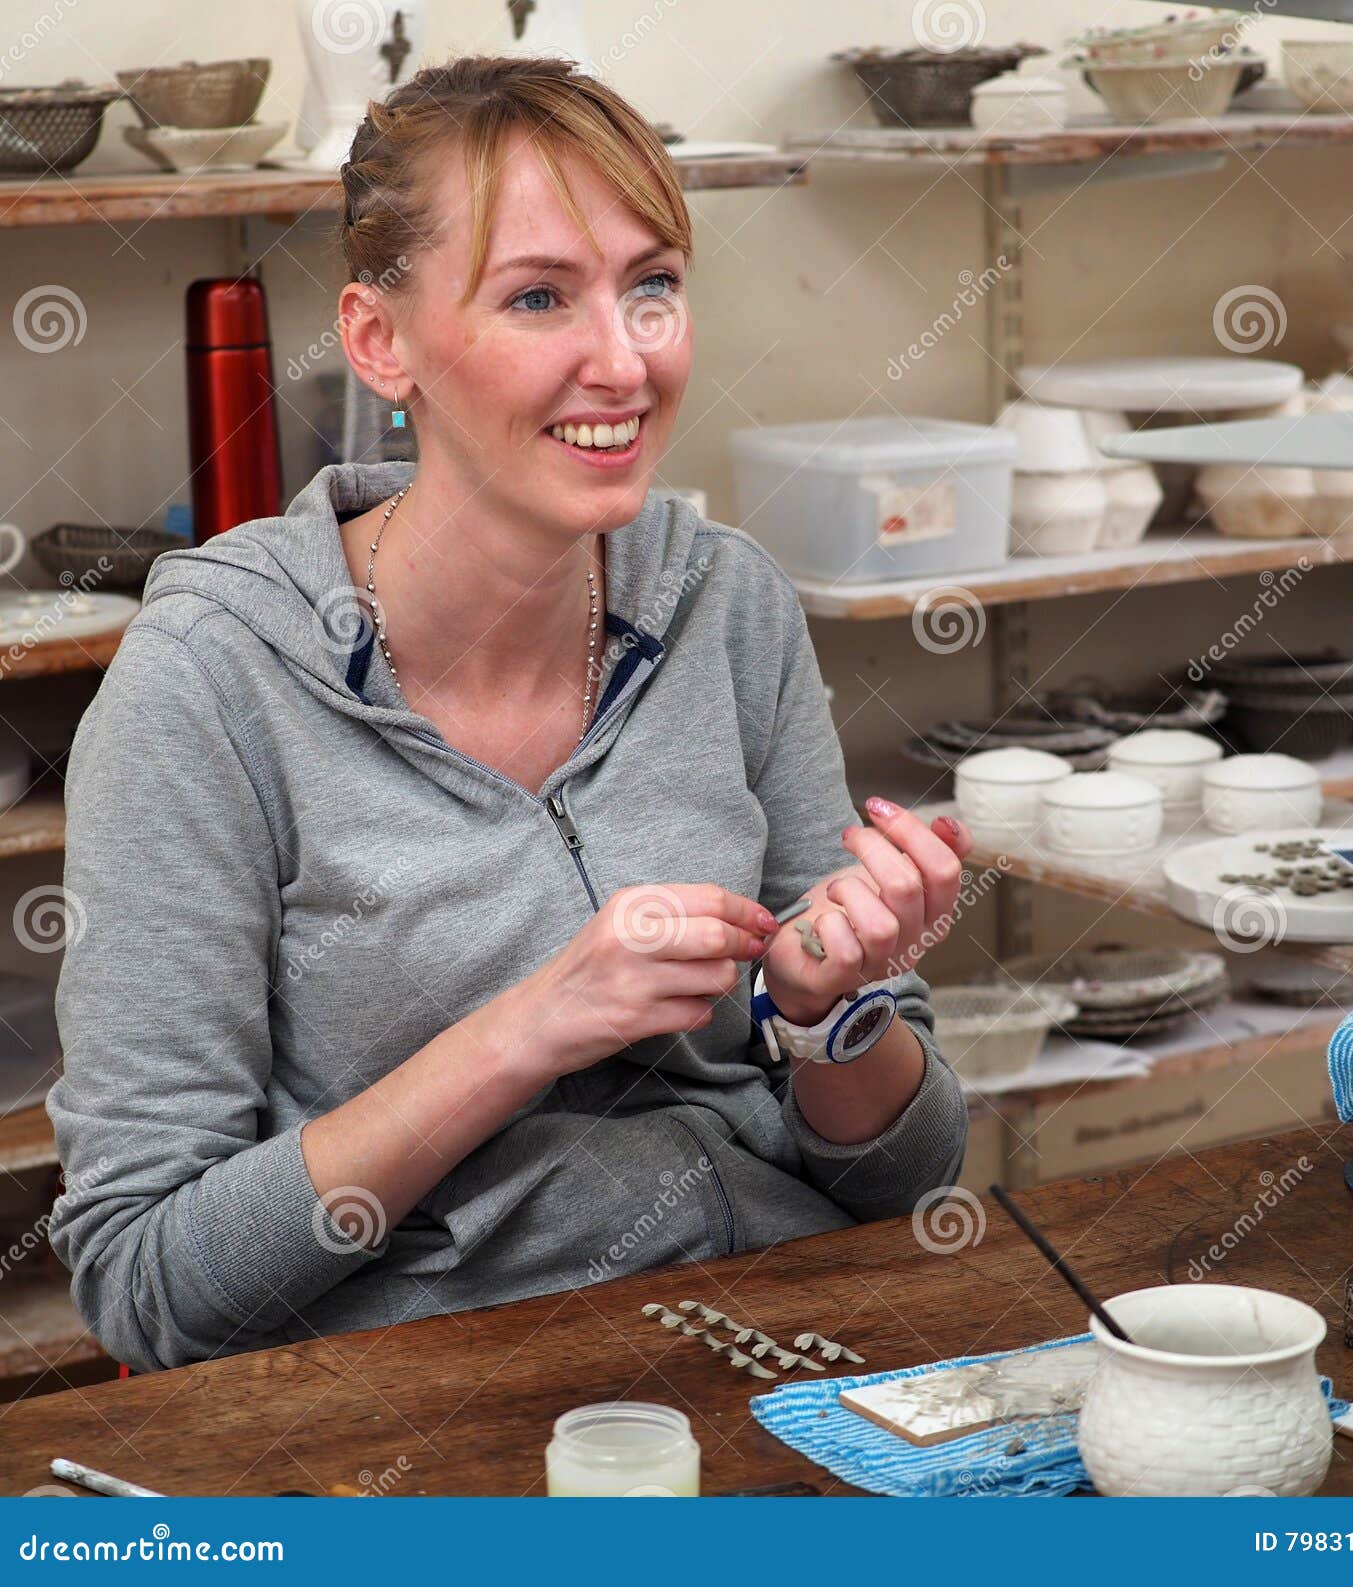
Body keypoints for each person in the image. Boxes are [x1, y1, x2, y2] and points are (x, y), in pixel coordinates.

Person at [46, 55, 972, 1375]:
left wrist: (829, 1018)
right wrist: (523, 1030)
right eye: (539, 296)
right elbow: (147, 1286)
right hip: (412, 1404)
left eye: (652, 286)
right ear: (381, 343)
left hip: (763, 1342)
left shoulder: (730, 606)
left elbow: (909, 1176)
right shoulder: (206, 682)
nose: (624, 359)